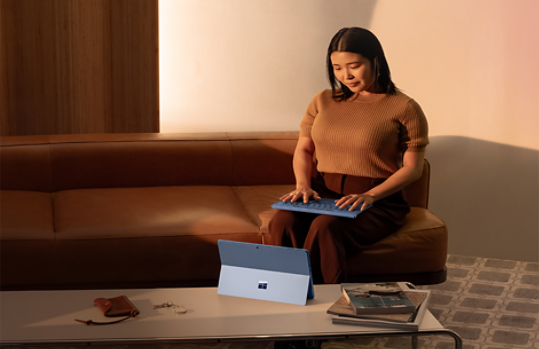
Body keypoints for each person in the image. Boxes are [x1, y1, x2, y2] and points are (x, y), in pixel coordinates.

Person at [267, 27, 429, 285]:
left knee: (326, 227)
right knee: (282, 221)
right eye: (337, 68)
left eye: (354, 66)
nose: (346, 75)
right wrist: (303, 185)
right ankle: (281, 293)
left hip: (377, 200)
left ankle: (323, 304)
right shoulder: (323, 100)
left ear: (376, 60)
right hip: (324, 191)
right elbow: (304, 149)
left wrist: (370, 196)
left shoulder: (404, 107)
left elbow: (413, 167)